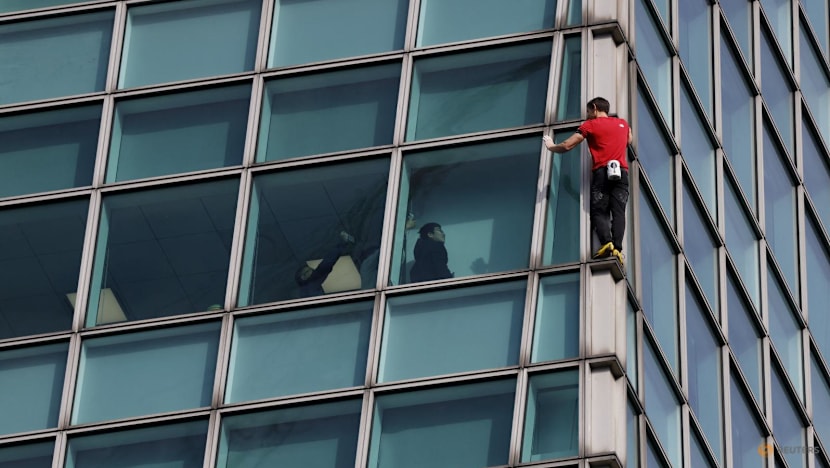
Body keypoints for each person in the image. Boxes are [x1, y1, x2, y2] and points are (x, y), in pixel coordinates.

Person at [543, 97, 632, 265]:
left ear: (594, 107)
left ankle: (606, 242)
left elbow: (567, 145)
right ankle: (617, 249)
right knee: (619, 212)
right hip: (622, 173)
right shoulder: (623, 124)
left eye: (589, 111)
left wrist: (551, 146)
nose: (588, 114)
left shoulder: (590, 125)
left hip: (602, 172)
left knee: (599, 209)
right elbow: (629, 140)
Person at [294, 231, 354, 297]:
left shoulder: (304, 291)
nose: (313, 270)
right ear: (303, 277)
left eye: (311, 269)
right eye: (309, 270)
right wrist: (343, 243)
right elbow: (327, 263)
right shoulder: (312, 283)